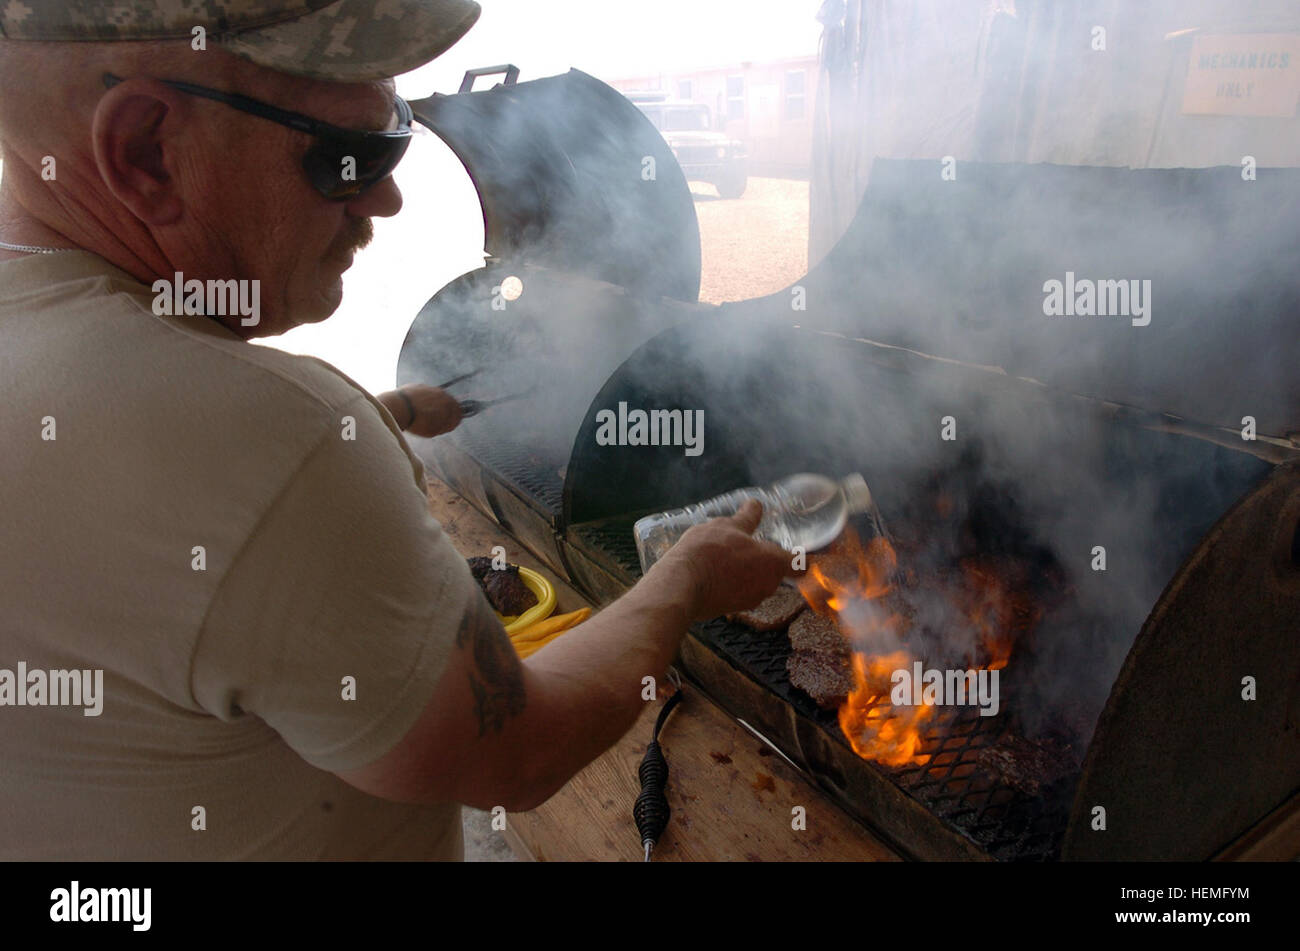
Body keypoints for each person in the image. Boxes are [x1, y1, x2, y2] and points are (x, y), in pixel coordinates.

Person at [0, 0, 792, 860]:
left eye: (396, 138)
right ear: (146, 151)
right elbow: (518, 754)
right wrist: (683, 582)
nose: (387, 195)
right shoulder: (270, 441)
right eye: (349, 156)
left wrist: (391, 414)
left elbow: (177, 512)